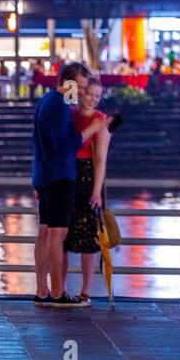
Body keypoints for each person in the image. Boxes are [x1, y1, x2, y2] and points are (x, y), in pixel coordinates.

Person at [32, 61, 117, 307]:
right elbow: (65, 146)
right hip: (60, 177)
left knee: (45, 231)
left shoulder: (46, 102)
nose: (81, 93)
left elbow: (38, 143)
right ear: (67, 83)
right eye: (79, 88)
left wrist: (36, 178)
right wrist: (91, 129)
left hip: (44, 175)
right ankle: (58, 293)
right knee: (57, 234)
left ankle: (42, 290)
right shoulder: (60, 107)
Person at [64, 77, 111, 303]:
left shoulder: (100, 121)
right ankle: (59, 288)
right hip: (66, 172)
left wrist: (96, 191)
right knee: (61, 233)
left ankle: (86, 291)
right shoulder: (69, 115)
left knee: (88, 238)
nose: (93, 99)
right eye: (90, 94)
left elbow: (101, 160)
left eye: (97, 96)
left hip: (87, 175)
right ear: (81, 93)